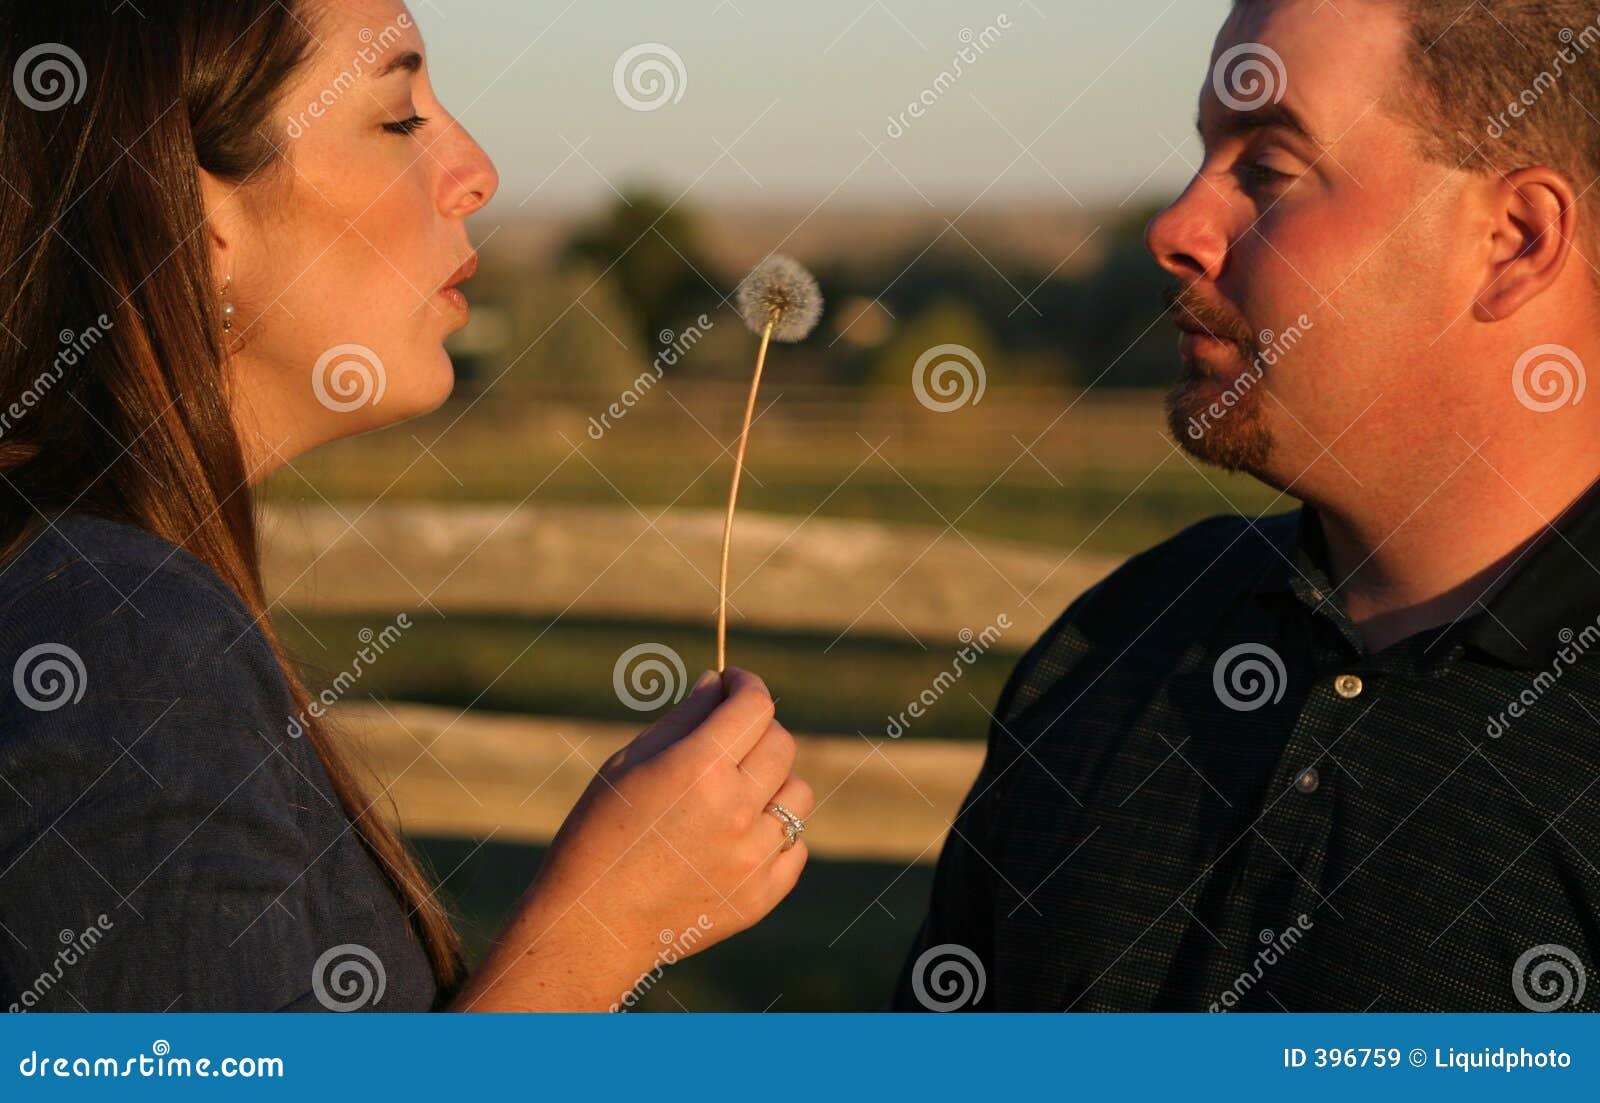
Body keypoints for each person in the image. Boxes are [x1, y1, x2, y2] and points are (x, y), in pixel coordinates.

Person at [0, 0, 812, 1012]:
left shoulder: (86, 596)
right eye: (397, 118)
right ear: (197, 219)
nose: (476, 168)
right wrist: (602, 927)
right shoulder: (124, 647)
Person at [896, 0, 1600, 1012]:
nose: (1175, 227)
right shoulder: (1115, 644)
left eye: (1265, 170)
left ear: (1514, 238)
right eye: (1203, 160)